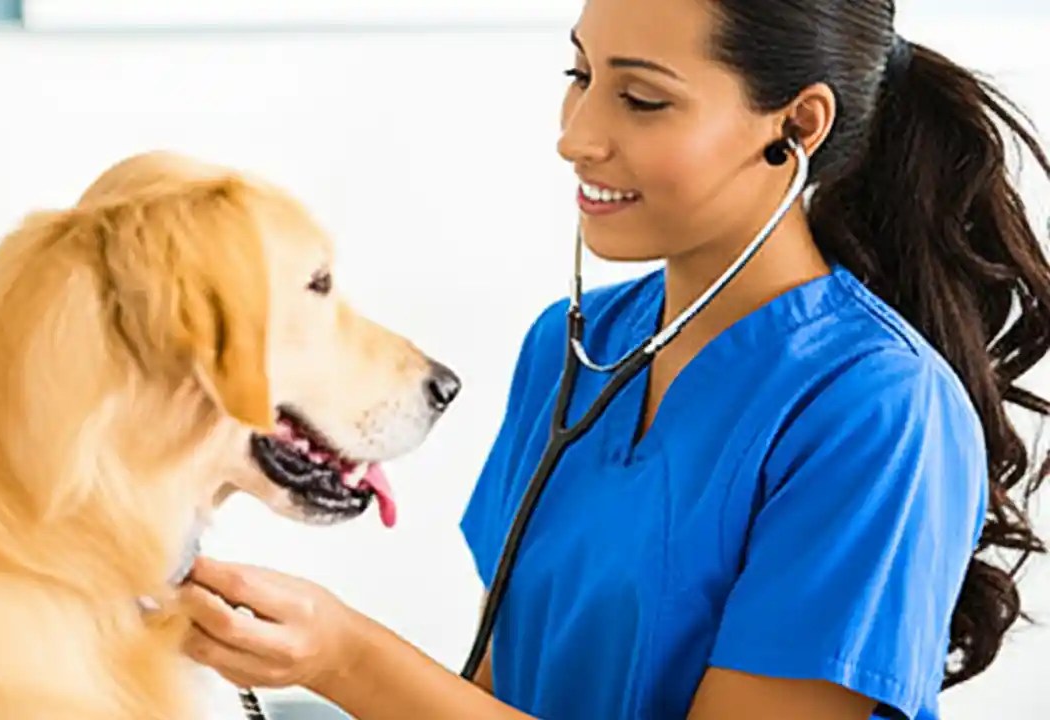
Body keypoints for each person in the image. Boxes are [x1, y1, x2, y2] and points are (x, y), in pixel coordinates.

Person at [178, 0, 1050, 717]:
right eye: (580, 76)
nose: (577, 136)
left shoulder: (878, 412)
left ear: (798, 124)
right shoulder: (568, 347)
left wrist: (341, 656)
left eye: (641, 101)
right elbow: (494, 696)